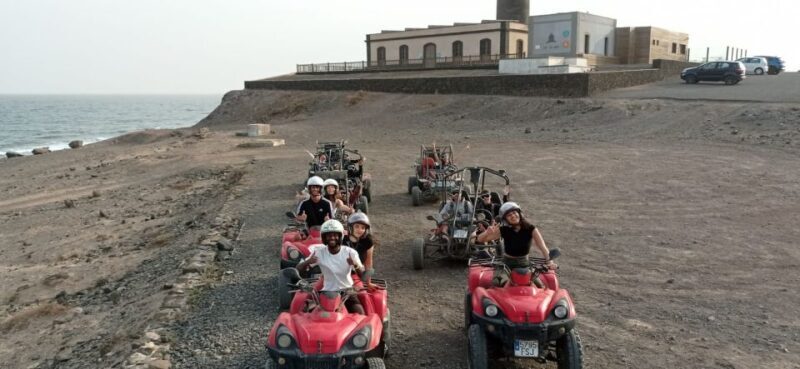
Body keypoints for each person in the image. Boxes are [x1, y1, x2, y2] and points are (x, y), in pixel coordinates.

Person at [296, 219, 366, 314]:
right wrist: (308, 261)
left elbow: (363, 276)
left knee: (360, 313)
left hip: (347, 291)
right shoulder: (318, 252)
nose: (332, 238)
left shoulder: (350, 252)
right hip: (327, 292)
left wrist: (355, 264)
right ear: (324, 237)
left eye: (335, 235)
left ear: (340, 236)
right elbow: (299, 269)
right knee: (306, 313)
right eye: (329, 235)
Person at [476, 202, 554, 286]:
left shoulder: (531, 229)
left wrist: (550, 261)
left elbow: (543, 247)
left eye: (514, 212)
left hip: (525, 264)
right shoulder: (504, 230)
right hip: (507, 264)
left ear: (519, 213)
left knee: (540, 287)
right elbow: (480, 239)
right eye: (509, 215)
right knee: (497, 284)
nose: (513, 216)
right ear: (506, 219)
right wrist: (487, 233)